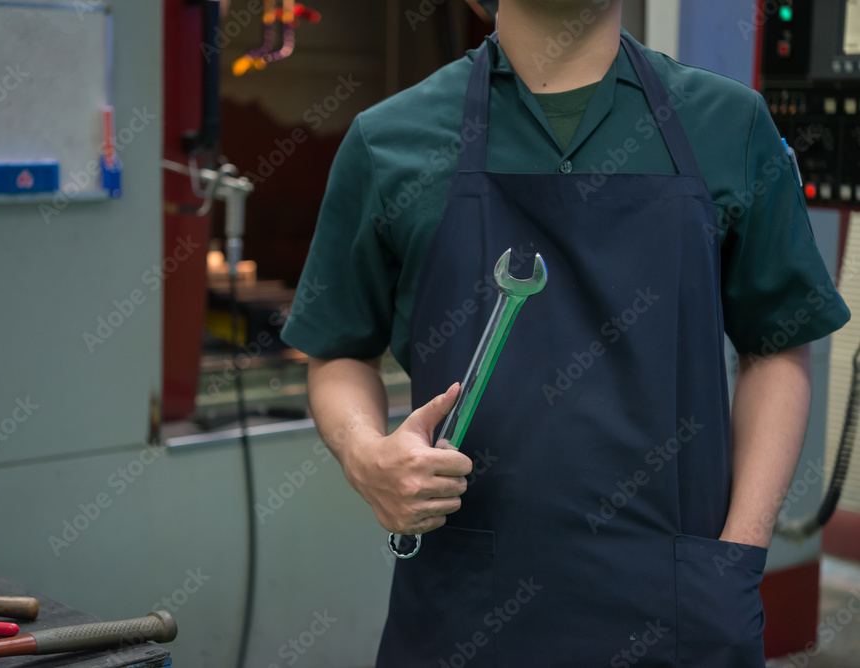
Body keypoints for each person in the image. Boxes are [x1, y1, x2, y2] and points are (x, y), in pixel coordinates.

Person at [280, 1, 851, 665]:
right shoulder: (391, 141)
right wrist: (363, 453)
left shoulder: (727, 125)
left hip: (680, 610)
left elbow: (776, 345)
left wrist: (739, 556)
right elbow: (340, 350)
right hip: (464, 610)